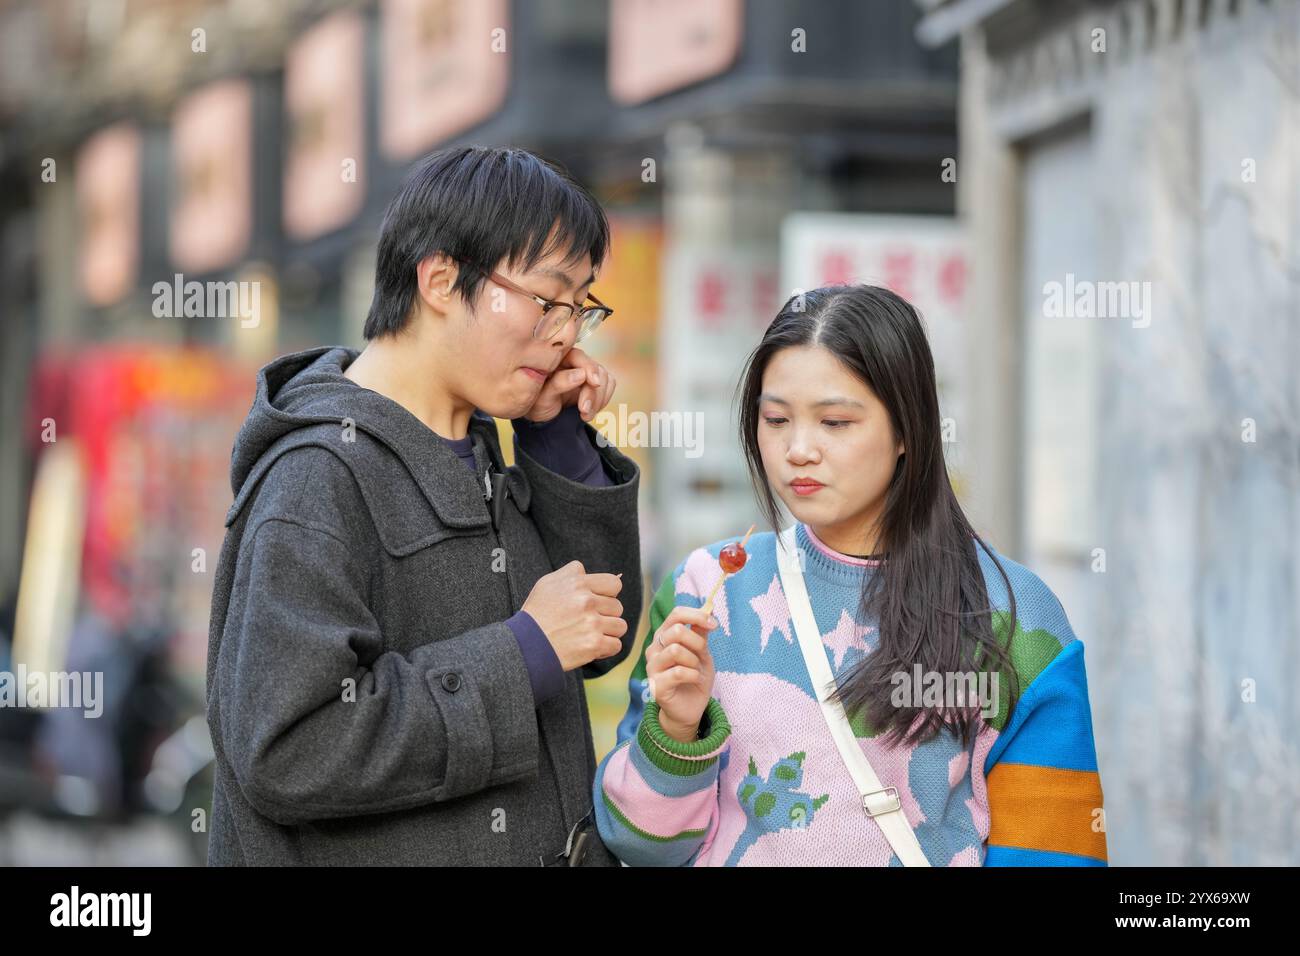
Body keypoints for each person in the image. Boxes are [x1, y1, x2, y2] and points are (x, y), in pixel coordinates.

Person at [206, 145, 642, 865]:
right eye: (546, 299)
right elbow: (288, 748)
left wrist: (560, 441)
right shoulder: (317, 476)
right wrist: (521, 654)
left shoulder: (488, 444)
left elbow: (598, 638)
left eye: (579, 306)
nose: (566, 333)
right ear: (441, 279)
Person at [594, 284, 1107, 866]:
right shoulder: (707, 592)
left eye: (835, 422)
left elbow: (1056, 852)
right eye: (776, 419)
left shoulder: (1013, 615)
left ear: (908, 430)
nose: (799, 449)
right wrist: (677, 733)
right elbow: (638, 846)